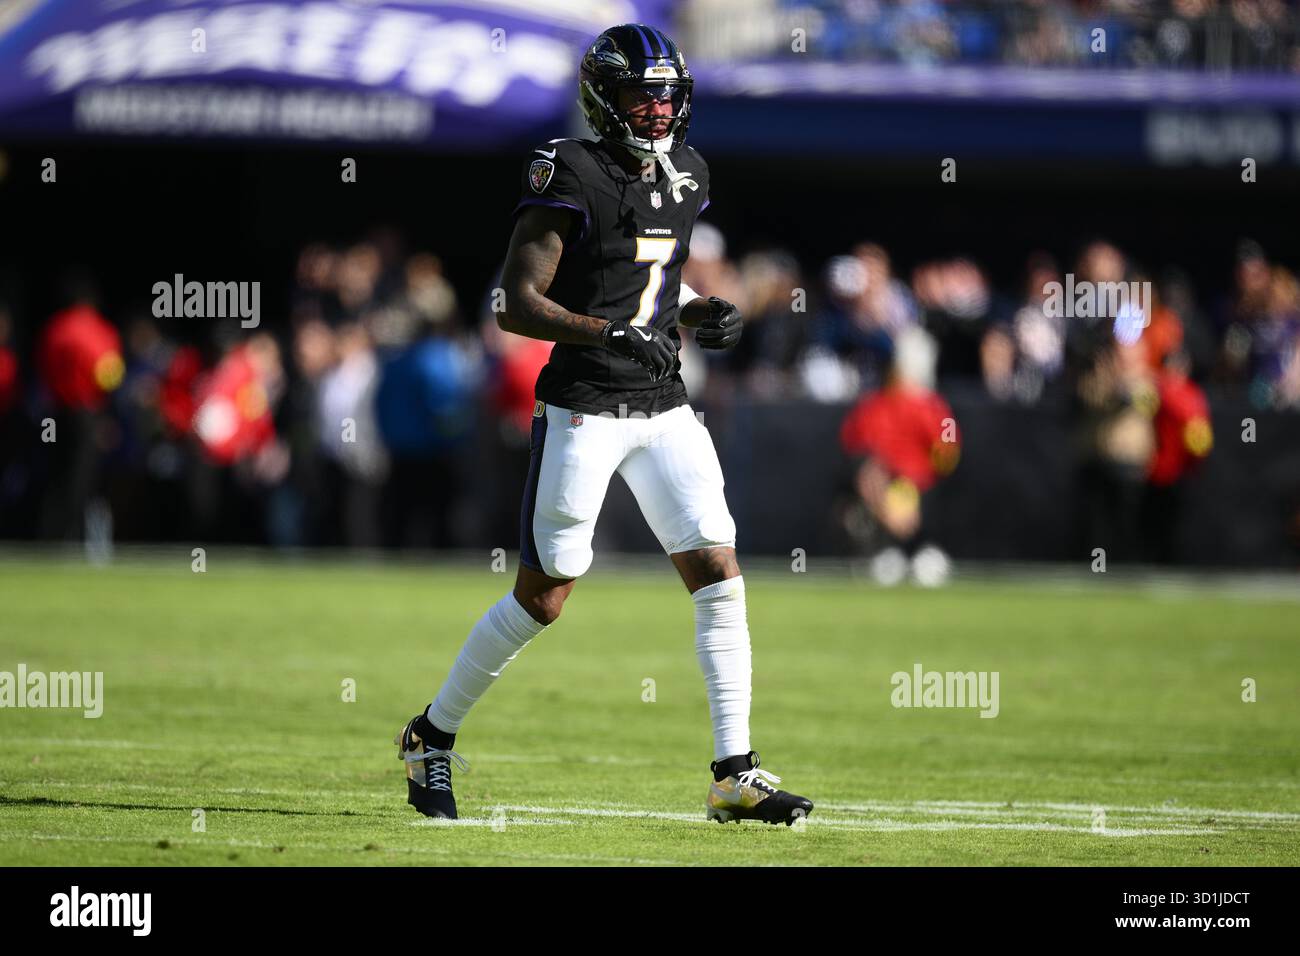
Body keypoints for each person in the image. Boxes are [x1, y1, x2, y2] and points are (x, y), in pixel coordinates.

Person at [395, 24, 814, 826]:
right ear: (603, 99)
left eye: (666, 97)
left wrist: (696, 311)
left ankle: (735, 772)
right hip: (585, 405)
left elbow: (648, 285)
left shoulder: (689, 172)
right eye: (640, 97)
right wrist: (600, 331)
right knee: (545, 597)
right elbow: (518, 304)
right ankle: (430, 735)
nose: (657, 111)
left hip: (663, 403)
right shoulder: (570, 170)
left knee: (718, 572)